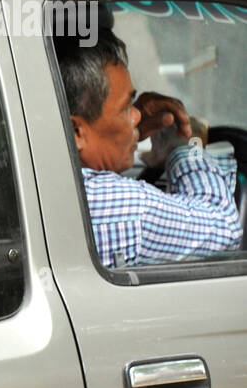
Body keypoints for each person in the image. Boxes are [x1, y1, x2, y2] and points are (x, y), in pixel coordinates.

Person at [55, 27, 242, 267]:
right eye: (125, 108)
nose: (136, 116)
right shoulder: (120, 208)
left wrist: (123, 133)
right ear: (77, 132)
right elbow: (225, 227)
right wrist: (189, 145)